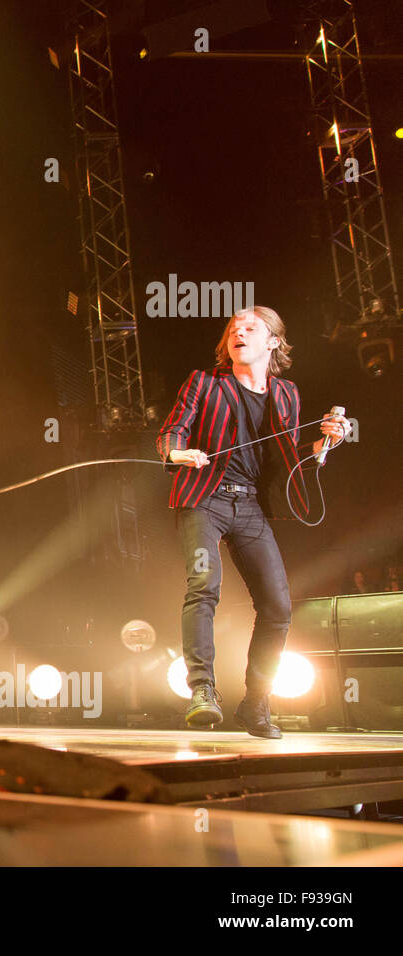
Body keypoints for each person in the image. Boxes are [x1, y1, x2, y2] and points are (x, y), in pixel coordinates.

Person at [156, 306, 349, 738]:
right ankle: (203, 690)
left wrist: (323, 443)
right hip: (203, 499)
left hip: (250, 509)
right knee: (203, 587)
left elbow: (283, 456)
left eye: (250, 327)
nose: (238, 332)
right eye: (232, 329)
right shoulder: (204, 382)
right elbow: (172, 430)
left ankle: (256, 702)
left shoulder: (286, 393)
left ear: (273, 342)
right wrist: (177, 452)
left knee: (278, 608)